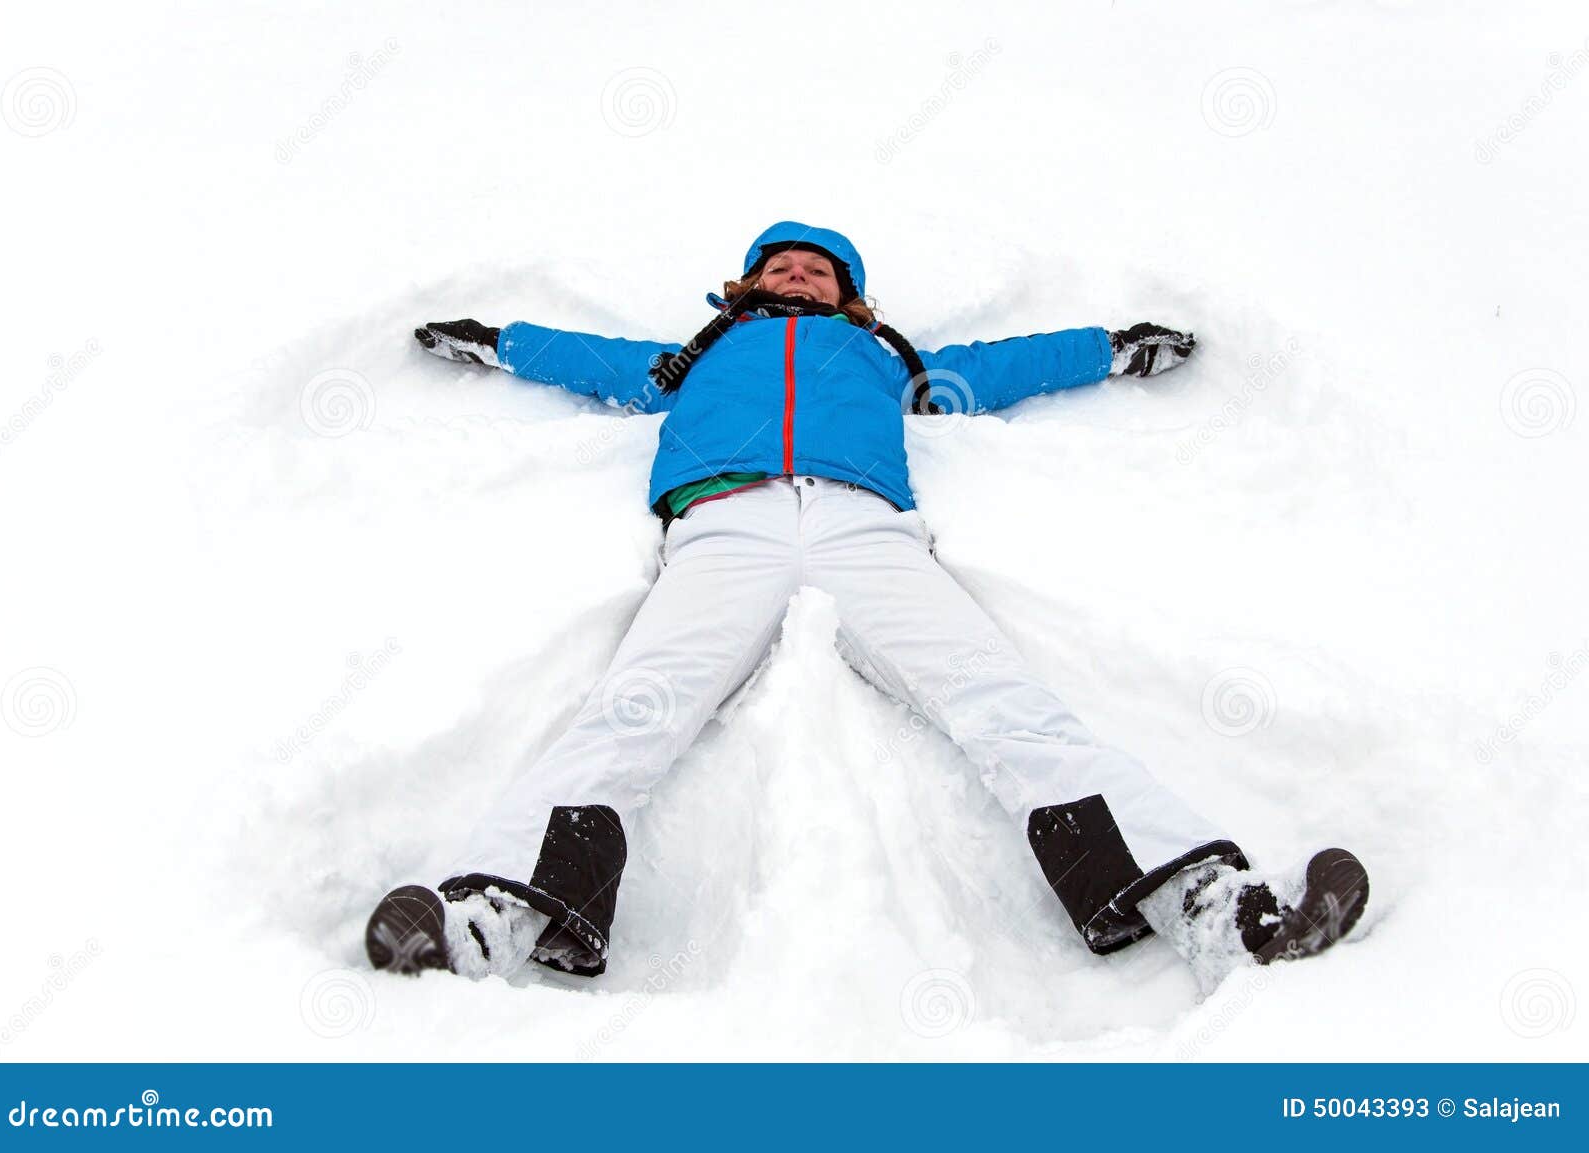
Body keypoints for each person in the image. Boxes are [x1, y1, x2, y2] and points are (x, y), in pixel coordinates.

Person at [366, 222, 1368, 992]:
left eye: (820, 269)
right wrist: (498, 340)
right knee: (632, 708)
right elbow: (585, 358)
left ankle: (1217, 914)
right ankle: (491, 917)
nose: (799, 275)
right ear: (746, 283)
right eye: (781, 264)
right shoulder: (693, 357)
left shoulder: (886, 361)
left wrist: (1108, 346)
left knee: (1007, 704)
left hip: (865, 532)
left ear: (850, 294)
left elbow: (1009, 365)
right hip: (725, 526)